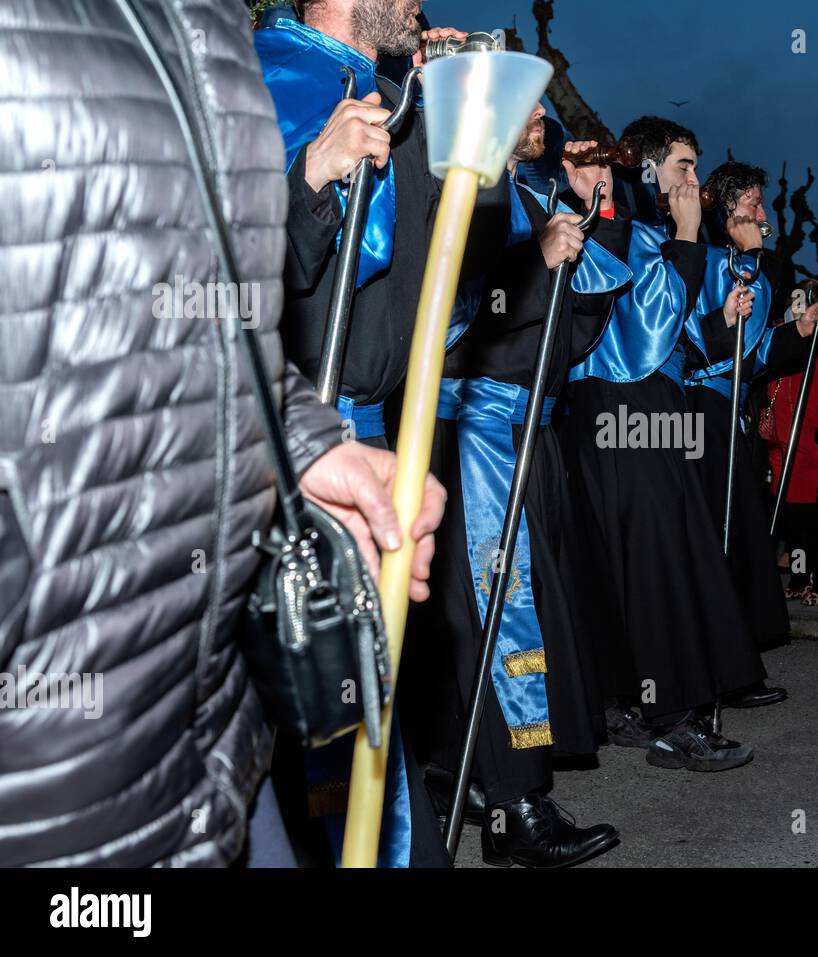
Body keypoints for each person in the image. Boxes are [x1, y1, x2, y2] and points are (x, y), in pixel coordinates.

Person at [0, 0, 444, 866]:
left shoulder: (198, 33)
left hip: (200, 682)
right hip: (63, 686)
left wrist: (298, 446)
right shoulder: (273, 65)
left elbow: (194, 315)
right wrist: (312, 177)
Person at [254, 1, 481, 868]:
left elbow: (456, 252)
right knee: (312, 682)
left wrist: (462, 105)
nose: (421, 4)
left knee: (372, 679)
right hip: (298, 419)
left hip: (384, 421)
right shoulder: (274, 69)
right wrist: (310, 173)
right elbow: (220, 271)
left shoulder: (397, 87)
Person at [411, 106, 632, 867]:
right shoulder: (458, 188)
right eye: (525, 106)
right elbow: (442, 321)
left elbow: (574, 331)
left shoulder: (530, 192)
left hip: (528, 430)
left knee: (508, 611)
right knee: (495, 612)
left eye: (545, 109)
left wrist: (596, 206)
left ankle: (458, 771)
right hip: (470, 432)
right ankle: (517, 807)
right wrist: (534, 258)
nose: (541, 119)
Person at [562, 117, 764, 771]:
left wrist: (717, 319)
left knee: (636, 565)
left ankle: (625, 701)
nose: (694, 183)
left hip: (638, 413)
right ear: (645, 169)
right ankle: (674, 721)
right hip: (624, 415)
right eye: (682, 166)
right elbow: (644, 341)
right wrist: (685, 237)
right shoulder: (629, 232)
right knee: (660, 567)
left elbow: (677, 342)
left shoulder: (641, 235)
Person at [686, 160, 818, 670]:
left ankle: (740, 648)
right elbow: (710, 339)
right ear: (724, 209)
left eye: (763, 202)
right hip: (698, 409)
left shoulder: (753, 263)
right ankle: (721, 660)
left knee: (744, 529)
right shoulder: (705, 259)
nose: (763, 213)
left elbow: (755, 351)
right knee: (723, 529)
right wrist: (749, 256)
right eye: (753, 202)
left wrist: (799, 332)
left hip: (730, 408)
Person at [767, 282, 818, 605]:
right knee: (793, 523)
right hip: (784, 448)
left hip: (813, 447)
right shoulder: (784, 341)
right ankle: (800, 577)